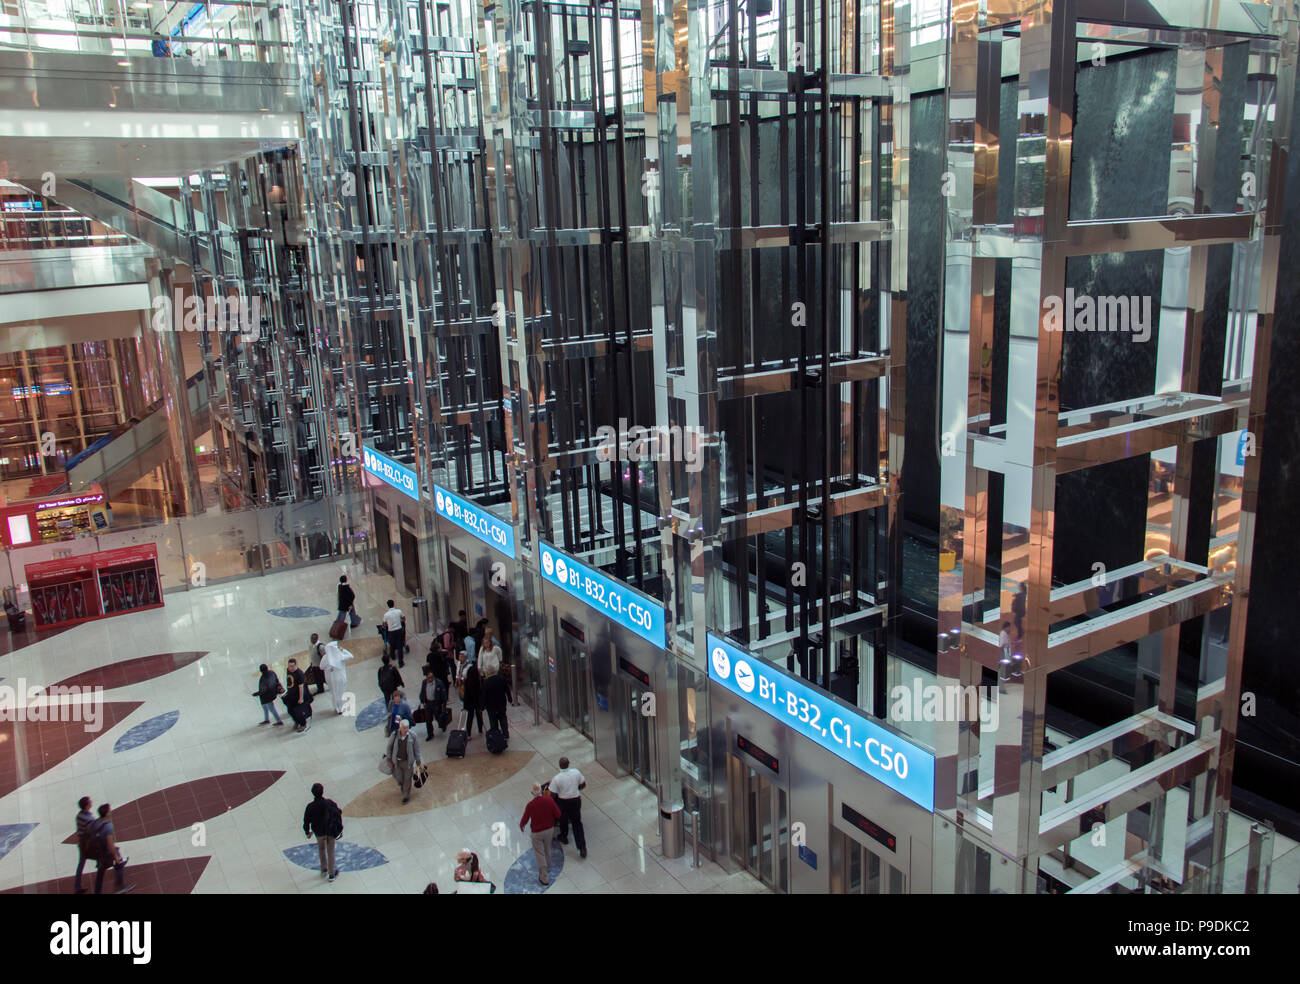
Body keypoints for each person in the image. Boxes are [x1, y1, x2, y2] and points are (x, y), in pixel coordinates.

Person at [519, 782, 561, 886]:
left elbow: (525, 818)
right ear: (542, 791)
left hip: (537, 833)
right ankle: (549, 865)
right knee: (547, 849)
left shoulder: (530, 805)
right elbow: (558, 814)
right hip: (549, 830)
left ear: (532, 793)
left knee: (539, 853)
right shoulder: (549, 800)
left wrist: (522, 825)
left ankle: (544, 877)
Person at [302, 782, 343, 881]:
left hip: (319, 832)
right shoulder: (329, 803)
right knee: (331, 852)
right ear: (322, 791)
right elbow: (339, 812)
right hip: (330, 830)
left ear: (313, 793)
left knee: (321, 849)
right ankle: (331, 874)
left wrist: (307, 832)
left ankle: (323, 869)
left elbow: (306, 820)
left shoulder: (310, 807)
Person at [89, 803, 131, 894]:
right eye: (109, 810)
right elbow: (110, 843)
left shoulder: (96, 822)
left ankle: (97, 891)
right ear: (107, 813)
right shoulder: (108, 826)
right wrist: (115, 856)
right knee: (119, 865)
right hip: (107, 852)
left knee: (100, 872)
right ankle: (119, 887)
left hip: (99, 852)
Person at [550, 757, 587, 858]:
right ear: (569, 763)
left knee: (563, 819)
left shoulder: (556, 778)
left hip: (563, 802)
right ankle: (582, 847)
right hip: (575, 800)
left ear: (559, 765)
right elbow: (583, 784)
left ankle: (563, 836)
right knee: (577, 823)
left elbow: (553, 795)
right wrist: (576, 788)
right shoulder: (576, 772)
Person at [386, 719, 422, 803]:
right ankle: (402, 786)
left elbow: (416, 749)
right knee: (399, 778)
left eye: (407, 728)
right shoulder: (394, 735)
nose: (406, 730)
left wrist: (418, 760)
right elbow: (389, 747)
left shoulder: (413, 736)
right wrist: (389, 758)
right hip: (397, 762)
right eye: (404, 728)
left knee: (407, 779)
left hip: (408, 762)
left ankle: (406, 795)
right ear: (400, 728)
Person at [320, 640, 354, 715]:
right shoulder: (340, 655)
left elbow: (321, 667)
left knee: (334, 693)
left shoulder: (326, 658)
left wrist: (328, 667)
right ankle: (340, 708)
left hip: (332, 678)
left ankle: (337, 708)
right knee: (341, 693)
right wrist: (343, 650)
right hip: (341, 677)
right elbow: (351, 656)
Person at [73, 796, 95, 893]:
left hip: (81, 842)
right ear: (86, 806)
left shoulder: (79, 815)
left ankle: (77, 886)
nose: (91, 802)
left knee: (81, 864)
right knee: (104, 854)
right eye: (90, 802)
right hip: (87, 844)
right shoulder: (89, 818)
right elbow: (91, 831)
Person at [283, 658, 312, 732]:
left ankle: (303, 724)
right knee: (290, 710)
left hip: (298, 696)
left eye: (292, 666)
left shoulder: (299, 673)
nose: (291, 668)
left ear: (296, 665)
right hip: (291, 695)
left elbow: (301, 687)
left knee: (298, 711)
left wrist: (301, 698)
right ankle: (297, 721)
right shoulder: (288, 671)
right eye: (289, 666)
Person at [483, 665, 511, 739]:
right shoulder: (501, 679)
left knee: (493, 722)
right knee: (503, 719)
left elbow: (484, 696)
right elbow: (507, 690)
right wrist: (510, 698)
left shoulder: (486, 682)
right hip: (501, 704)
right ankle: (505, 734)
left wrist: (482, 706)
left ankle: (496, 735)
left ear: (488, 673)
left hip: (491, 707)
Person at [418, 665, 443, 741]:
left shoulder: (439, 683)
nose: (430, 679)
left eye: (431, 677)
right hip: (428, 703)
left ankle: (442, 724)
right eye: (428, 678)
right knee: (428, 720)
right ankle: (430, 734)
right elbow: (422, 692)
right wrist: (421, 701)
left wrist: (442, 703)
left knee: (438, 717)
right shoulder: (424, 682)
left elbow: (443, 694)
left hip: (436, 703)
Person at [461, 662, 484, 738]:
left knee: (470, 718)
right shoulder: (478, 682)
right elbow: (481, 693)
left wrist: (465, 705)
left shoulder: (467, 682)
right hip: (477, 702)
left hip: (470, 703)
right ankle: (480, 730)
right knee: (479, 716)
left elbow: (466, 695)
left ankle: (469, 734)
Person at [383, 599, 407, 667]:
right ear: (394, 604)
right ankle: (400, 662)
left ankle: (393, 656)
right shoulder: (399, 611)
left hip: (391, 631)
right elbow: (404, 619)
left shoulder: (386, 615)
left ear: (388, 605)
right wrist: (399, 622)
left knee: (392, 645)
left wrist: (390, 625)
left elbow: (385, 623)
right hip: (399, 630)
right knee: (400, 646)